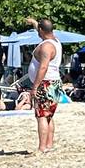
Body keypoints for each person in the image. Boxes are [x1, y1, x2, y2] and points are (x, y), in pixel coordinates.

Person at [26, 17, 63, 153]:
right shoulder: (55, 41)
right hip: (55, 83)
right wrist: (34, 22)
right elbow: (44, 30)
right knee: (49, 115)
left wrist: (34, 87)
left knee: (41, 115)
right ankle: (48, 145)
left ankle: (42, 147)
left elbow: (43, 68)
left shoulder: (46, 46)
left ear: (41, 30)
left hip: (45, 83)